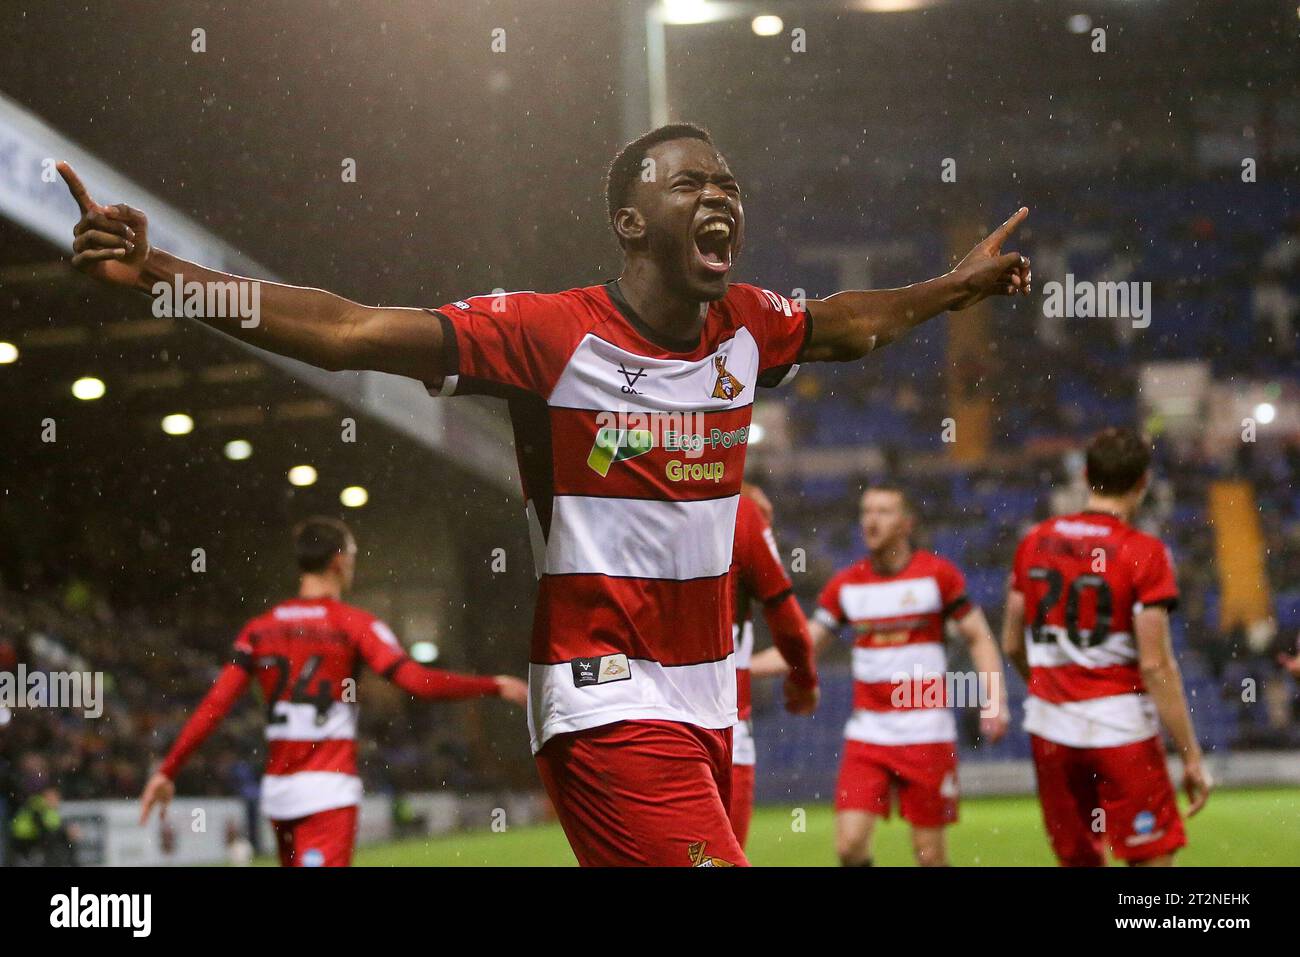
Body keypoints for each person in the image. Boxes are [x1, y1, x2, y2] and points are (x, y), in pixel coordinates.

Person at [60, 122, 1030, 866]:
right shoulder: (548, 336)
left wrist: (955, 288)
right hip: (604, 695)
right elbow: (349, 330)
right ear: (628, 221)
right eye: (687, 182)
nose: (718, 196)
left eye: (728, 185)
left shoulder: (747, 326)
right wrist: (161, 276)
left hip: (702, 705)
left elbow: (846, 325)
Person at [139, 517, 526, 867]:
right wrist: (492, 685)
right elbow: (416, 681)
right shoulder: (353, 625)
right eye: (354, 555)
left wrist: (168, 770)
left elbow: (216, 704)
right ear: (339, 561)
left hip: (278, 793)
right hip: (327, 790)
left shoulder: (260, 629)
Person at [754, 484, 1008, 866]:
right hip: (868, 735)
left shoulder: (937, 576)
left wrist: (994, 701)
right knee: (849, 846)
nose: (871, 520)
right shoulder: (847, 585)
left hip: (927, 734)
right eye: (866, 511)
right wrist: (737, 666)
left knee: (929, 856)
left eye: (883, 511)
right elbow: (803, 648)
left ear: (906, 524)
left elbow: (980, 639)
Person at [1002, 427, 1213, 867]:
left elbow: (1011, 641)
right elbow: (1155, 666)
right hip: (1120, 729)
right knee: (1150, 857)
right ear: (1143, 482)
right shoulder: (1144, 553)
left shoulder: (1035, 541)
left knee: (1079, 860)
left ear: (1084, 474)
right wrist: (1191, 757)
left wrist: (1049, 687)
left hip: (1050, 731)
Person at [726, 483, 818, 849]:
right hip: (721, 725)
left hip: (633, 718)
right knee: (717, 858)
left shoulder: (630, 509)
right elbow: (791, 628)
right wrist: (804, 677)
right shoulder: (740, 515)